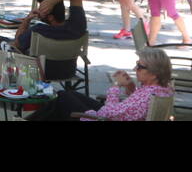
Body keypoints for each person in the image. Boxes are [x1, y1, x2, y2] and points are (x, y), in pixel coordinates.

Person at [27, 48, 174, 121]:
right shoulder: (162, 89)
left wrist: (116, 86)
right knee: (67, 95)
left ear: (154, 73)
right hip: (113, 116)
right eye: (137, 64)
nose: (135, 69)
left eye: (140, 67)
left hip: (105, 118)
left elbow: (107, 113)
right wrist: (130, 87)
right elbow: (132, 109)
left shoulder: (145, 97)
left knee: (62, 99)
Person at [0, 0, 88, 82]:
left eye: (41, 9)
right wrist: (53, 1)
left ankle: (0, 83)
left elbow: (16, 45)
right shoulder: (77, 25)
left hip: (40, 73)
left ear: (50, 17)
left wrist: (27, 20)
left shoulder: (39, 30)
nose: (38, 12)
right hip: (68, 71)